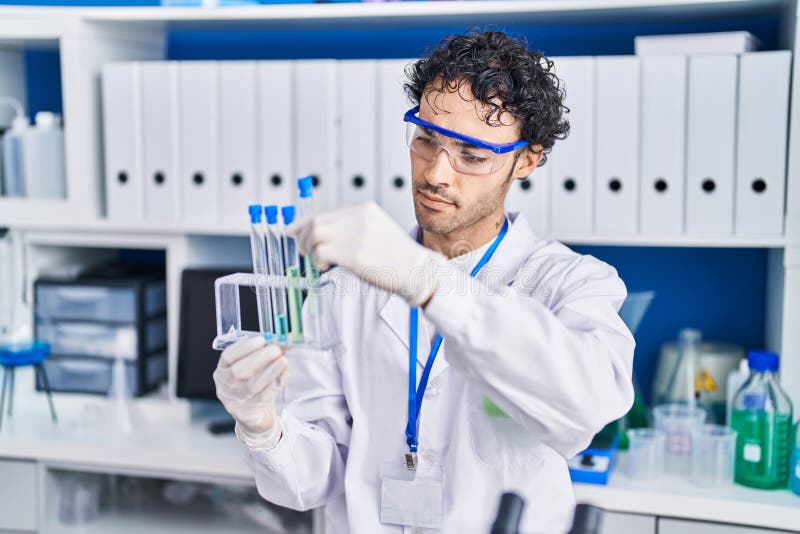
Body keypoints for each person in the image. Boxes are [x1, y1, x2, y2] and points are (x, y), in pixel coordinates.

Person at [213, 31, 634, 533]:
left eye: (472, 156)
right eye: (426, 139)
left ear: (527, 159)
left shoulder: (572, 283)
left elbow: (584, 411)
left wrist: (421, 276)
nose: (437, 173)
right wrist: (260, 425)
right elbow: (311, 481)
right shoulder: (348, 287)